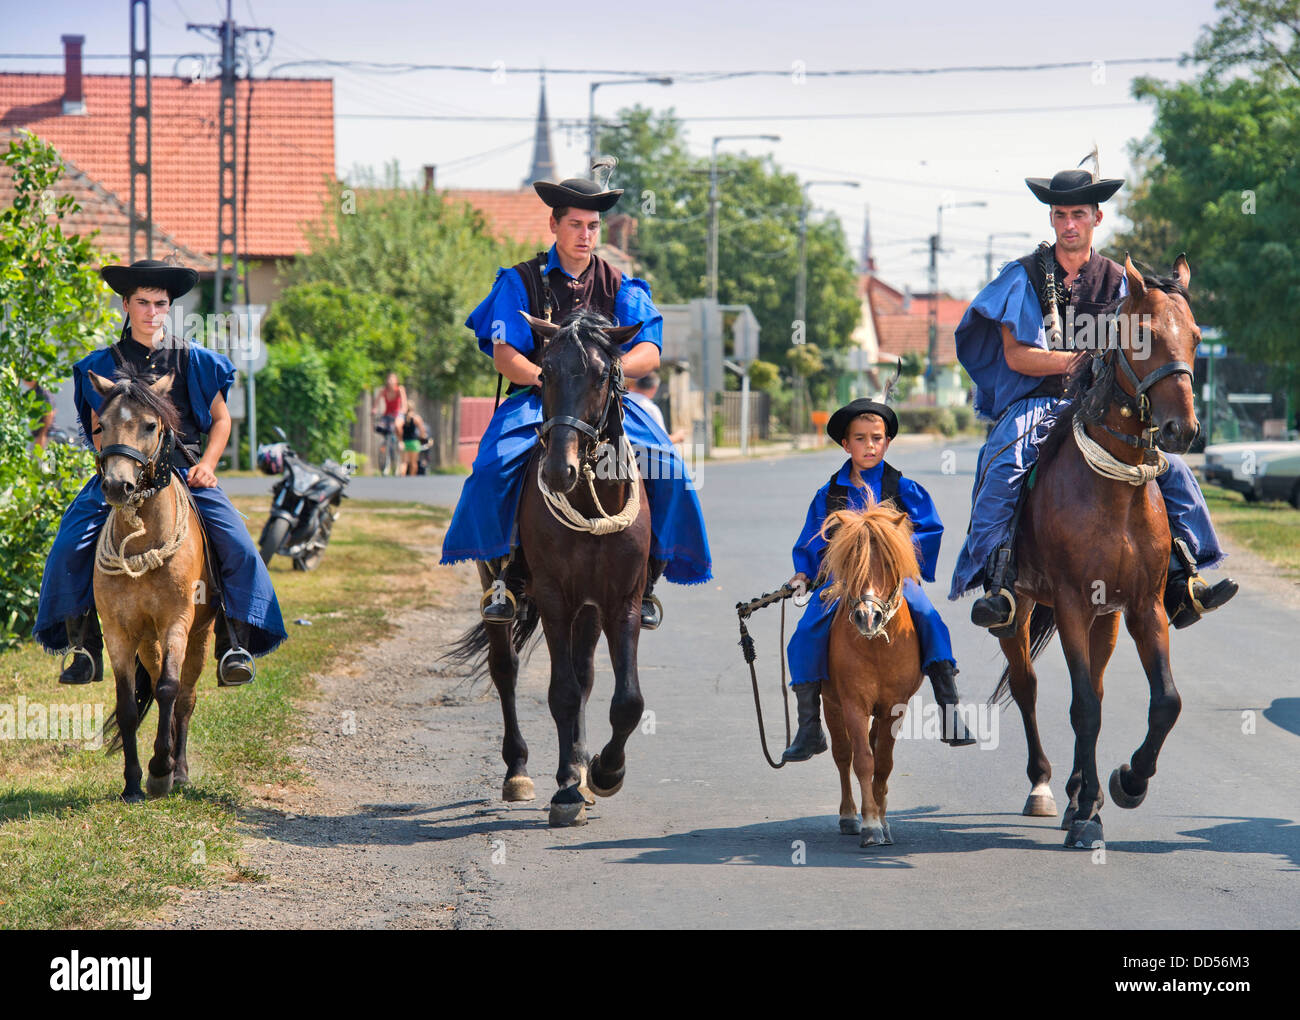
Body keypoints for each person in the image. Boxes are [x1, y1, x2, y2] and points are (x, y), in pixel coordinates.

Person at [948, 165, 1237, 633]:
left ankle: (1186, 576)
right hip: (1038, 403)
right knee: (1004, 460)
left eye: (1078, 214)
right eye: (1060, 214)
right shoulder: (1021, 277)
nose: (1068, 224)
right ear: (1052, 220)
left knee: (1173, 470)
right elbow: (1016, 355)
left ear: (1096, 219)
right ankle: (997, 578)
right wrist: (1073, 360)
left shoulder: (1125, 283)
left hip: (1108, 408)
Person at [440, 174, 712, 628]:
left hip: (605, 401)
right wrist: (548, 380)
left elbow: (650, 349)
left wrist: (608, 372)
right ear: (554, 225)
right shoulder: (519, 281)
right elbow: (506, 355)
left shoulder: (620, 284)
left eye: (593, 226)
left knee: (671, 466)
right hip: (536, 398)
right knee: (492, 466)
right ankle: (503, 575)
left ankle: (648, 579)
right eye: (576, 225)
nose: (585, 235)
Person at [33, 259, 287, 687]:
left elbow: (221, 421)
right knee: (67, 544)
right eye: (143, 303)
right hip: (120, 475)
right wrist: (116, 467)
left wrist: (207, 466)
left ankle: (233, 643)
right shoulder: (104, 364)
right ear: (127, 305)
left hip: (184, 474)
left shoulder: (193, 360)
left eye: (160, 304)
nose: (152, 312)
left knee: (240, 547)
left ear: (169, 308)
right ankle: (85, 648)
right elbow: (99, 429)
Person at [782, 398, 976, 762]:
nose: (869, 446)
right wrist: (803, 572)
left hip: (891, 579)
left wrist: (893, 550)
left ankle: (949, 708)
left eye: (877, 438)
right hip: (841, 582)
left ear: (887, 442)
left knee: (927, 615)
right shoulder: (829, 494)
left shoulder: (905, 489)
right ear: (845, 444)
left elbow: (929, 530)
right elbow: (812, 538)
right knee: (806, 632)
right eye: (860, 438)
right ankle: (809, 727)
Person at [627, 372, 687, 445]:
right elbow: (663, 441)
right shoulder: (650, 409)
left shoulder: (621, 399)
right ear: (654, 388)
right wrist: (678, 436)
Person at [401, 410, 428, 477]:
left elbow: (398, 429)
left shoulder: (402, 418)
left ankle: (402, 477)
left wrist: (400, 439)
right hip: (414, 442)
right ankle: (412, 478)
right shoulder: (416, 418)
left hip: (405, 442)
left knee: (404, 462)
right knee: (413, 463)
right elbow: (422, 429)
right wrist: (423, 436)